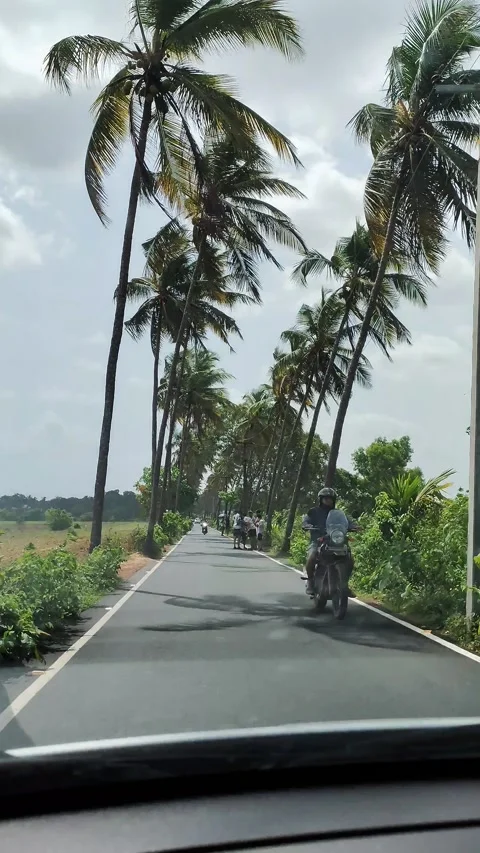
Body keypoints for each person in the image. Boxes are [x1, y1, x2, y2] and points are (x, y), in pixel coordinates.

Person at [302, 487, 355, 596]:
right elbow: (306, 520)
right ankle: (311, 581)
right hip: (318, 541)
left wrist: (353, 526)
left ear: (334, 500)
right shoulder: (313, 511)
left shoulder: (338, 513)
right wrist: (307, 525)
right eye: (325, 498)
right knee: (312, 556)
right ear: (321, 499)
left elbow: (347, 522)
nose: (328, 501)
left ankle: (344, 584)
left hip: (335, 541)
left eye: (330, 499)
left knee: (350, 558)